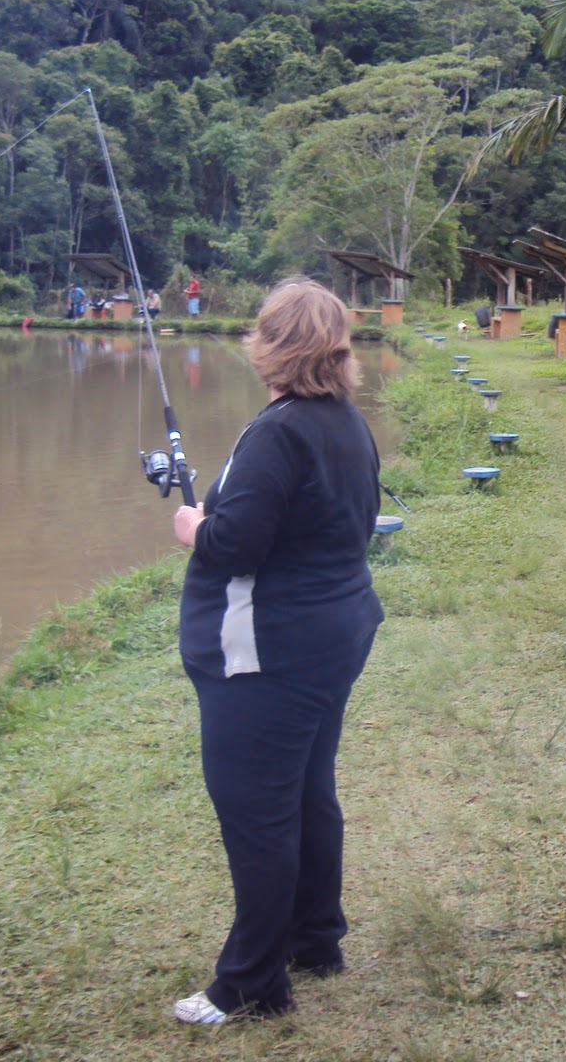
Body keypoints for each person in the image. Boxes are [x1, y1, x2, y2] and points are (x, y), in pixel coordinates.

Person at [170, 279, 384, 1024]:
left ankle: (252, 983)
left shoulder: (278, 430)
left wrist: (193, 524)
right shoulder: (344, 422)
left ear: (271, 344)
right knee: (305, 792)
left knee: (258, 813)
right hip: (334, 636)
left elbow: (235, 546)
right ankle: (315, 939)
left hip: (268, 655)